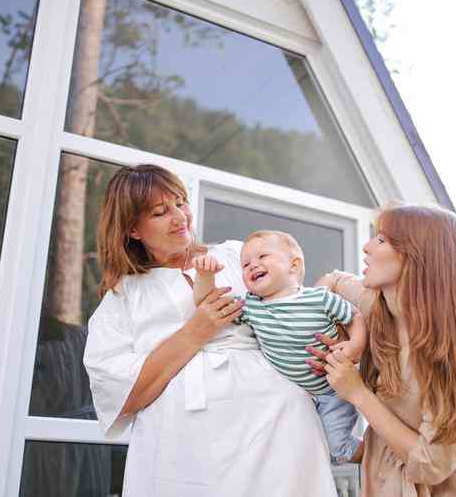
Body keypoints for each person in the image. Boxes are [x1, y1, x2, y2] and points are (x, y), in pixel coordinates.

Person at [83, 164, 337, 497]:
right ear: (133, 229)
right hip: (185, 442)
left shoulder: (234, 255)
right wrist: (195, 332)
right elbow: (122, 396)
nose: (179, 217)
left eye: (180, 202)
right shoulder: (123, 299)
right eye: (161, 212)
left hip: (276, 421)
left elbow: (293, 301)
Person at [310, 204, 456, 497]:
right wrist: (345, 335)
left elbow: (430, 465)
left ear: (418, 255)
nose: (366, 247)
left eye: (381, 240)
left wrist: (357, 393)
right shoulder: (376, 309)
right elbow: (334, 280)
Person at [191, 230, 366, 463]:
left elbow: (355, 317)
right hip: (300, 398)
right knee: (313, 452)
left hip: (334, 391)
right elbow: (207, 304)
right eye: (245, 264)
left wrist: (355, 345)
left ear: (293, 265)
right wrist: (204, 277)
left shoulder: (319, 298)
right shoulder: (251, 307)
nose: (253, 265)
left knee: (338, 449)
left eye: (263, 256)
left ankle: (380, 452)